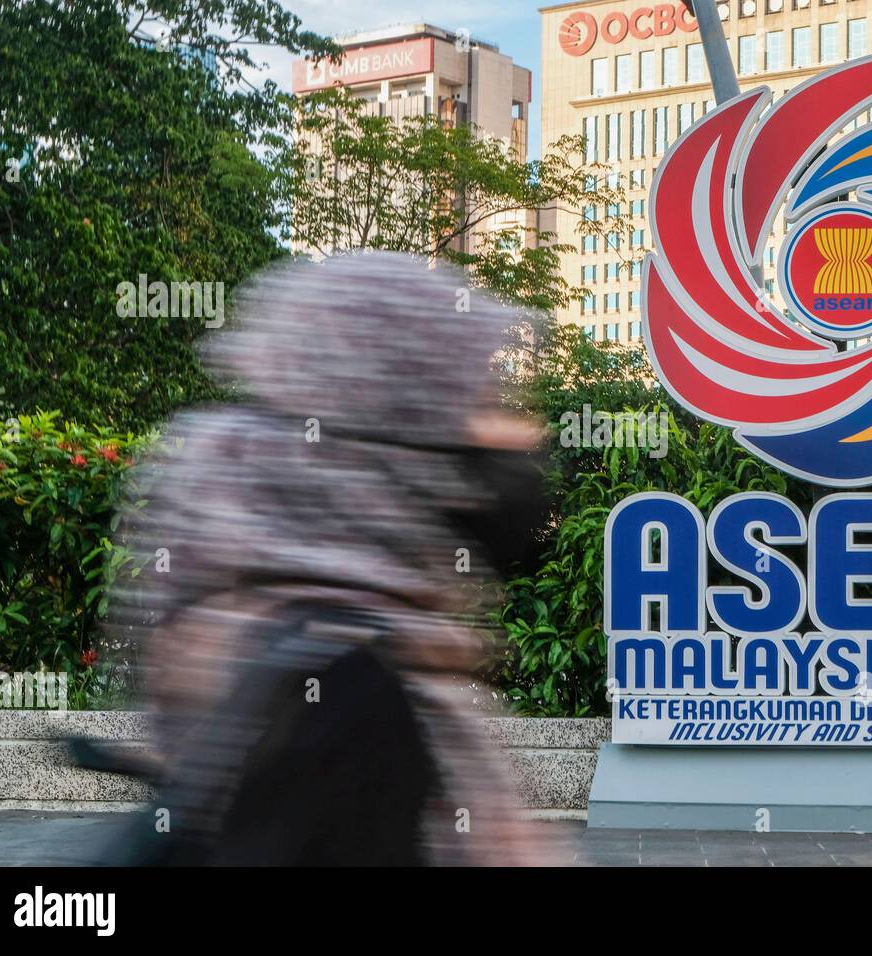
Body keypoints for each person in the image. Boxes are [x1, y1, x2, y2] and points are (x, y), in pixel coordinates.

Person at [104, 252, 549, 865]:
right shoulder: (356, 690)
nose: (511, 432)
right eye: (474, 396)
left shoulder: (226, 526)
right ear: (397, 410)